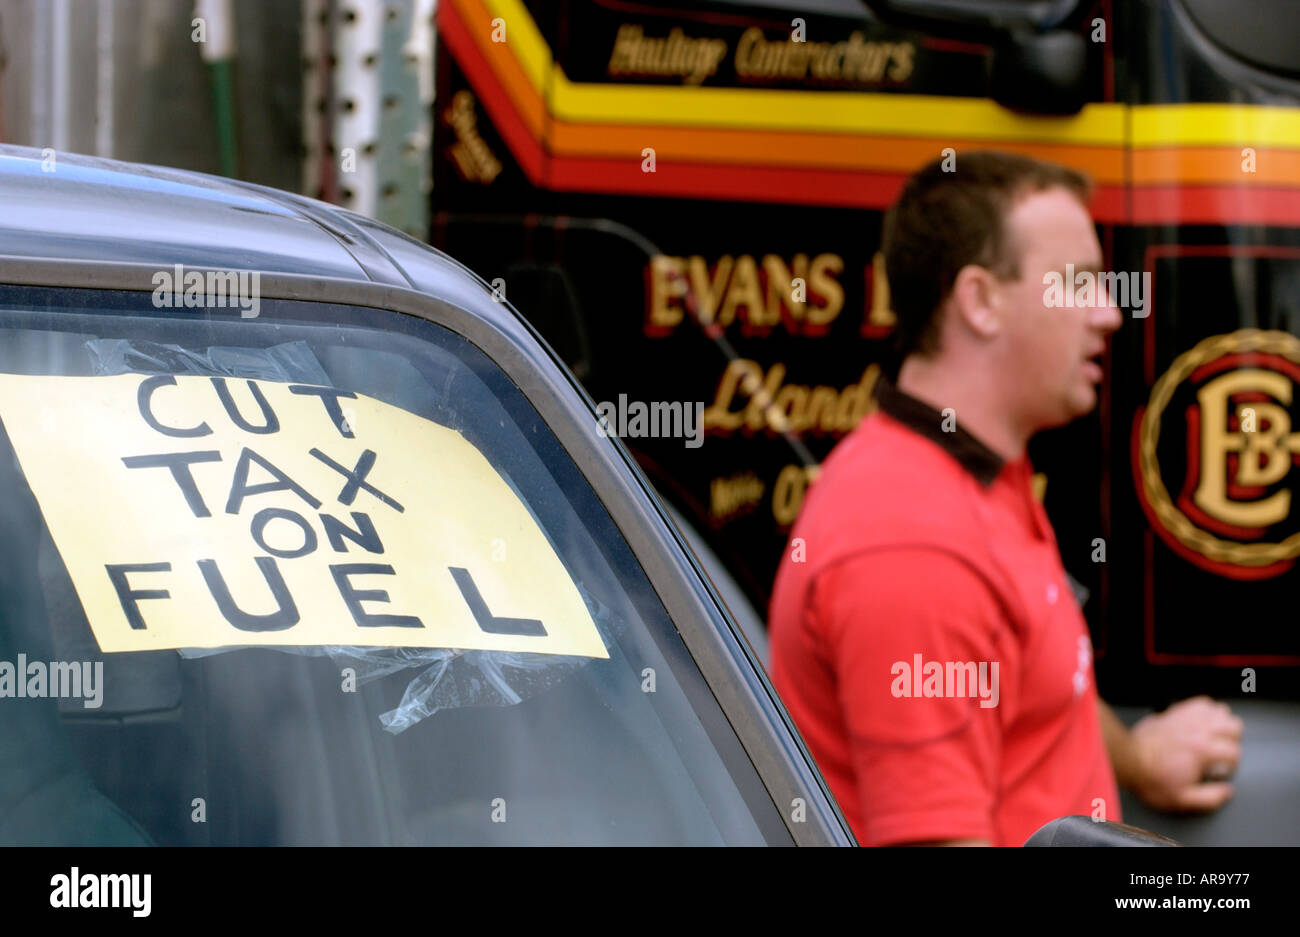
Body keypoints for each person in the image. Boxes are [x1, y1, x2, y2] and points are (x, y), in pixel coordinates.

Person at [767, 151, 1244, 846]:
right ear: (980, 301)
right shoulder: (914, 548)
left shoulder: (976, 472)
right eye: (1078, 283)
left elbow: (1039, 677)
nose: (1110, 313)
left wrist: (1137, 758)